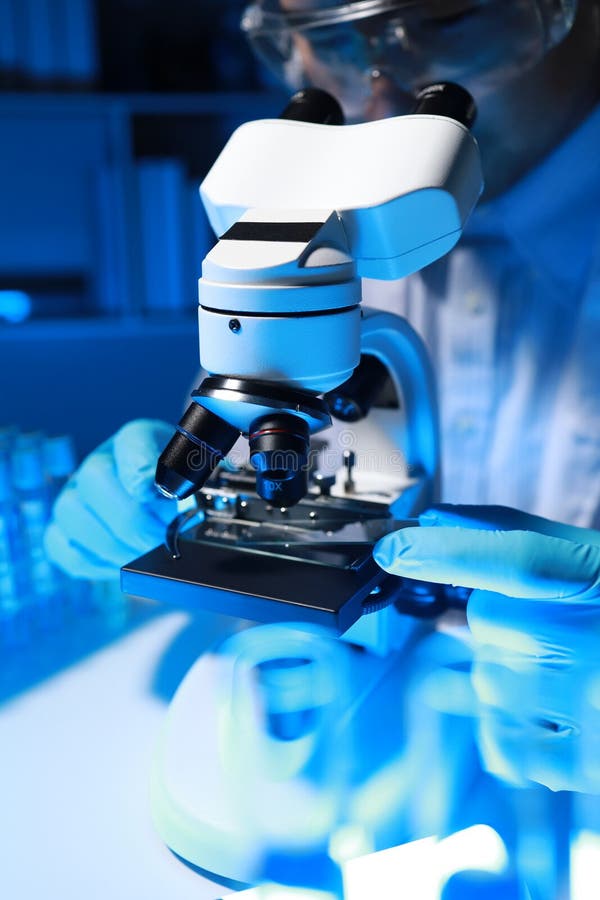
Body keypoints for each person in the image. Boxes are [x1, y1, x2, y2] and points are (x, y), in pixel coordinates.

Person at [45, 0, 600, 797]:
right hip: (362, 777)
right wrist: (145, 502)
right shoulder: (320, 237)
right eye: (334, 40)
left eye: (443, 20)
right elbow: (259, 427)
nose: (384, 93)